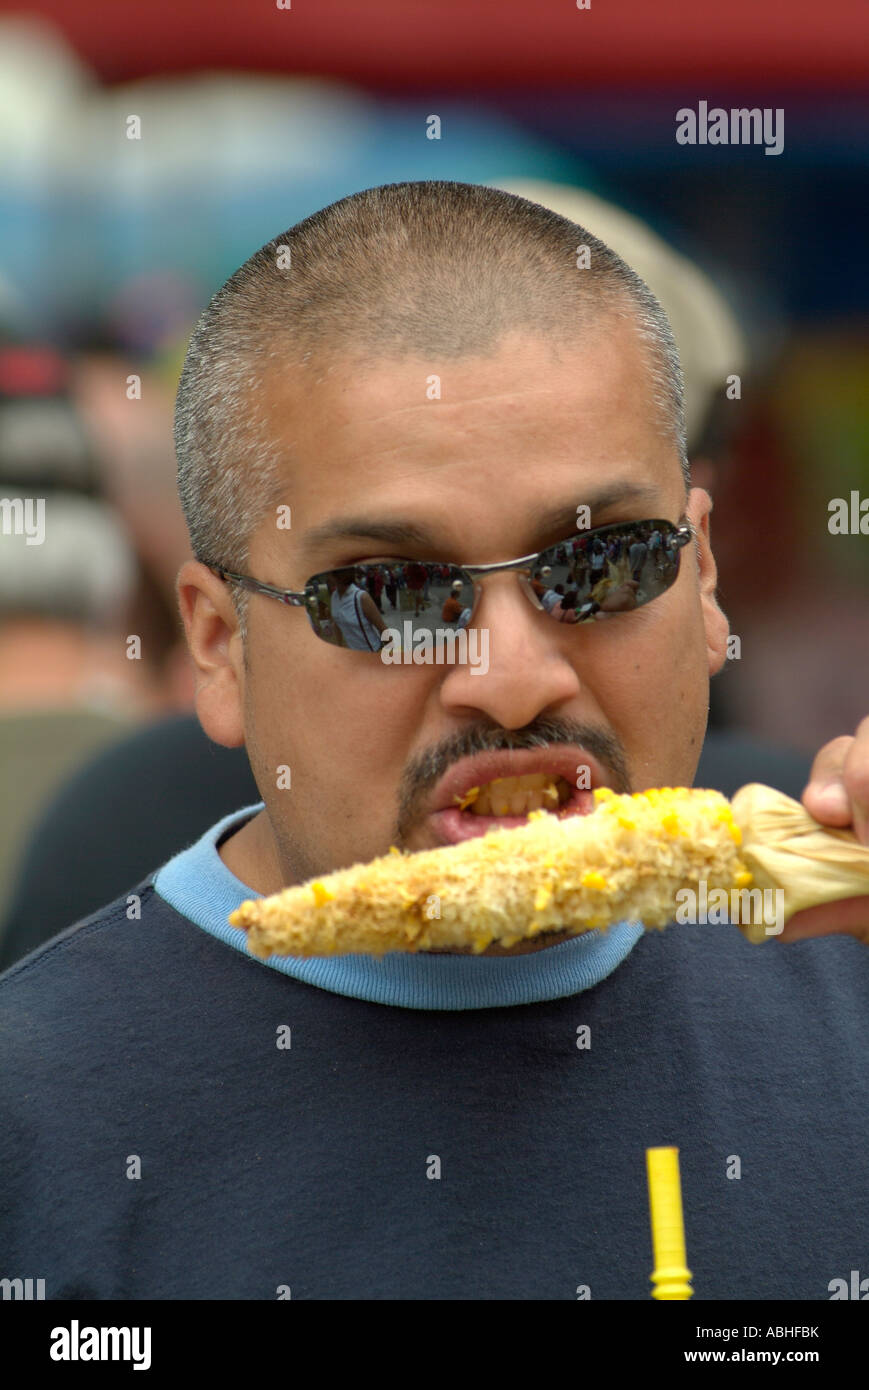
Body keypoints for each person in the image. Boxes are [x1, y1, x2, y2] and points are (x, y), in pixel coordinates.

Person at [1, 182, 867, 1303]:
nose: (511, 682)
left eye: (599, 565)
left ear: (702, 579)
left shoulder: (843, 978)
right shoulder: (37, 1129)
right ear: (217, 646)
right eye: (390, 594)